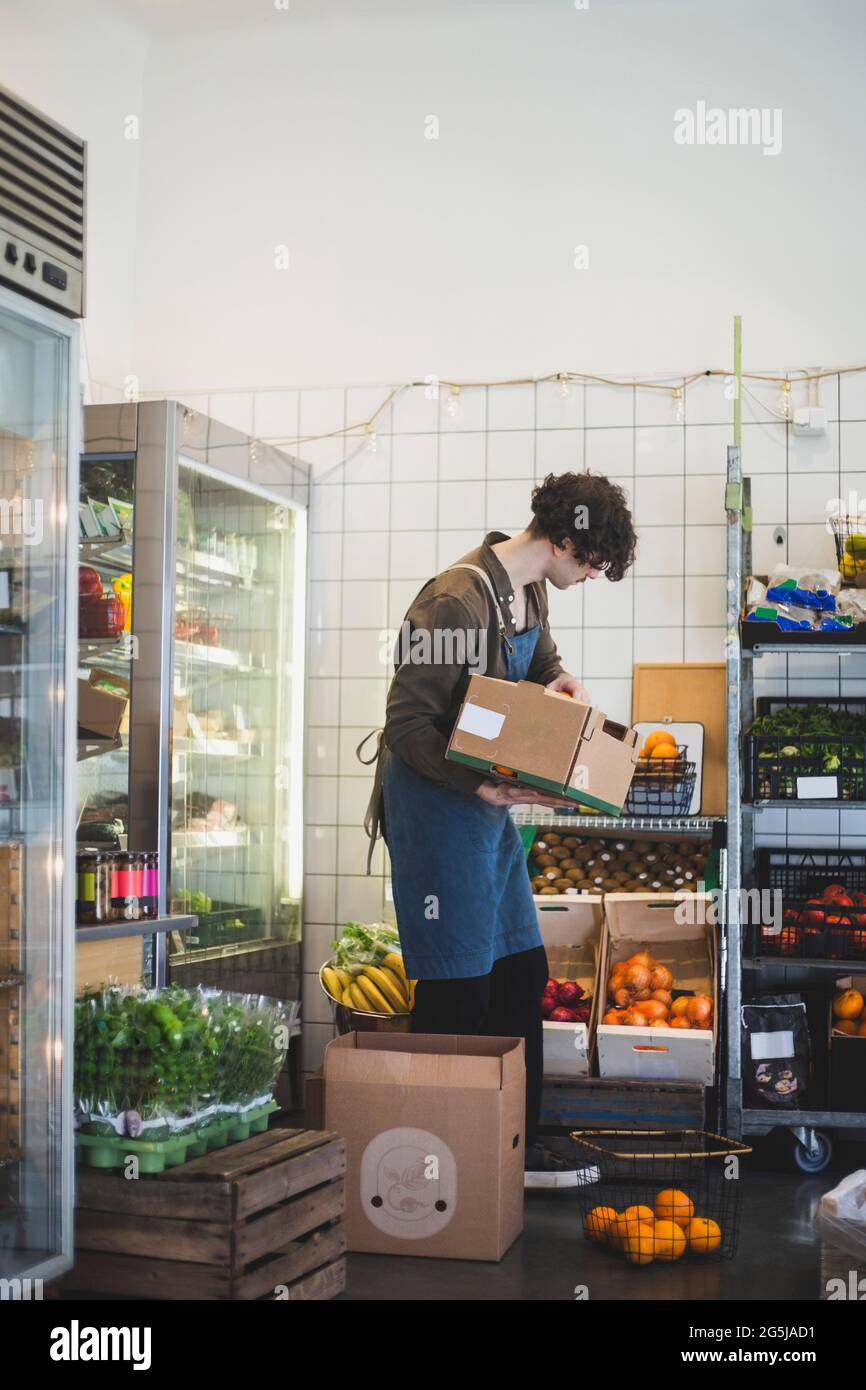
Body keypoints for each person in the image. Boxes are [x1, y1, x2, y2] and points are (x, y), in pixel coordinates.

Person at [363, 472, 636, 1187]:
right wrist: (480, 783)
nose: (592, 574)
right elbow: (407, 724)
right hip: (436, 805)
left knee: (522, 971)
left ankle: (519, 1143)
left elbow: (536, 656)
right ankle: (435, 1156)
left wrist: (562, 678)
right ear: (566, 540)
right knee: (458, 986)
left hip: (485, 810)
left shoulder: (529, 589)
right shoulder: (453, 601)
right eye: (594, 561)